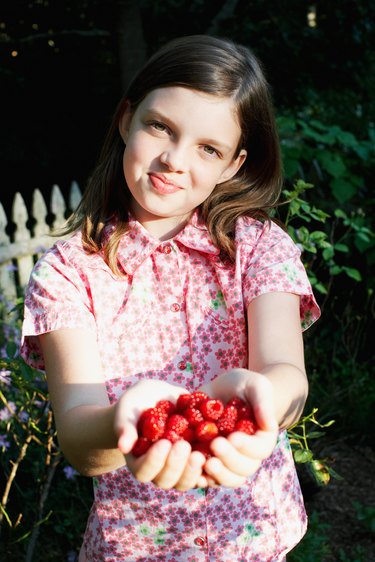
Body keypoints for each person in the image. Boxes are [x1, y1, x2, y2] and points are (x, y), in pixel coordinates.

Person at [21, 35, 320, 562]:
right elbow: (78, 436)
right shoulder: (69, 271)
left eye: (208, 148)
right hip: (135, 547)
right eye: (160, 126)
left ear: (233, 164)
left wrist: (257, 399)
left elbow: (286, 374)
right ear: (126, 119)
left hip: (253, 537)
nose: (173, 160)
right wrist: (126, 422)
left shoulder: (259, 249)